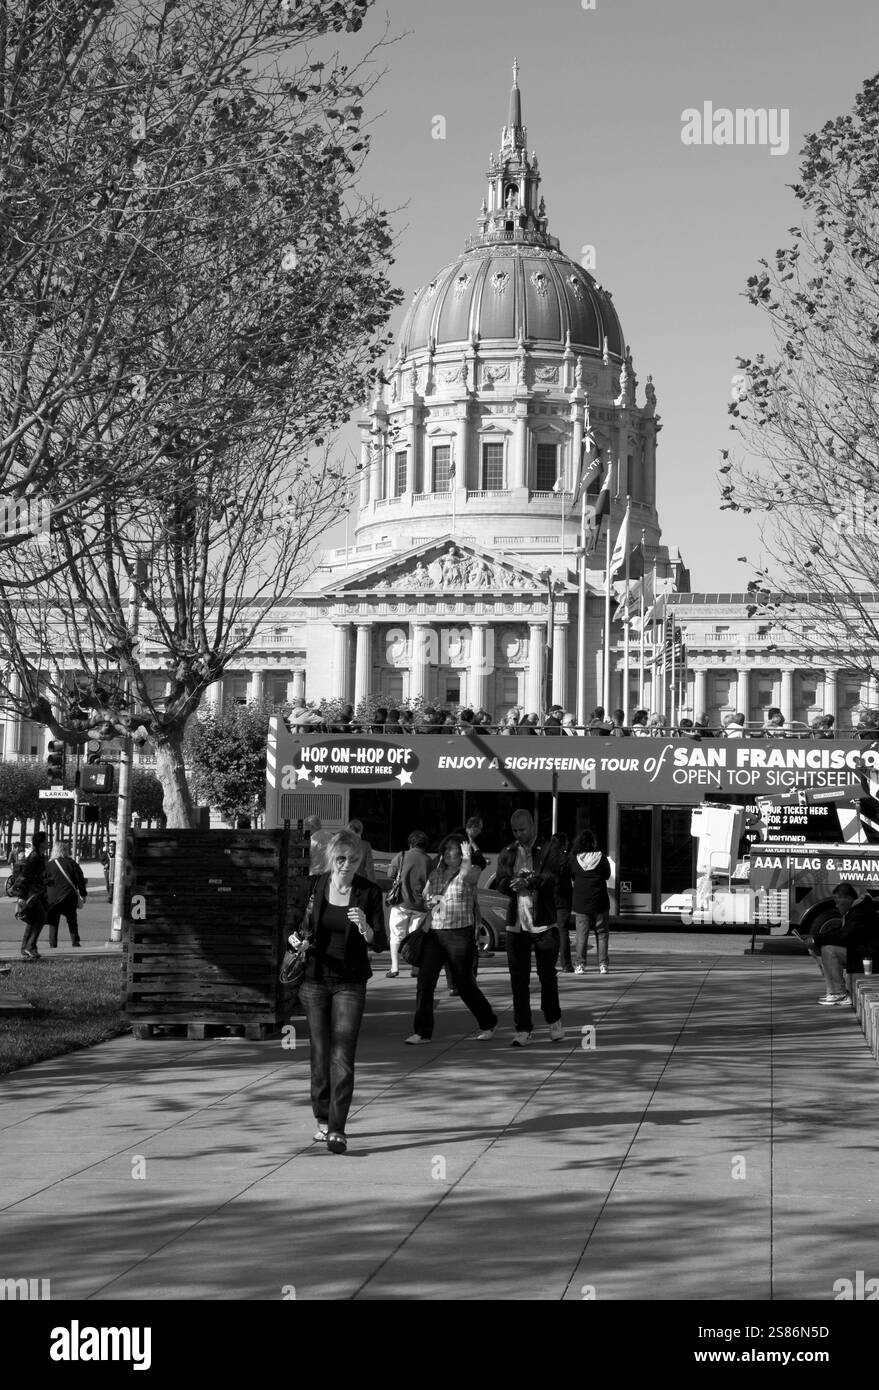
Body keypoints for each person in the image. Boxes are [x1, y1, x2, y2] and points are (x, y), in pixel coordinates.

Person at [297, 830, 387, 1154]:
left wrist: (364, 926)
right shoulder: (313, 886)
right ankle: (322, 1118)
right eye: (341, 858)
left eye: (354, 859)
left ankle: (337, 1128)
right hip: (315, 980)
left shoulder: (369, 893)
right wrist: (296, 941)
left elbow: (381, 943)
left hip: (350, 983)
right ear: (331, 857)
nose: (347, 864)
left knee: (343, 1056)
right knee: (320, 1055)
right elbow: (290, 927)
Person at [405, 835, 498, 1045]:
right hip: (435, 933)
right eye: (445, 849)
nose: (448, 853)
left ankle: (488, 1021)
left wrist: (467, 855)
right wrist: (430, 903)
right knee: (425, 982)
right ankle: (422, 1031)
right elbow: (428, 897)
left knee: (464, 984)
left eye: (453, 849)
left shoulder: (470, 871)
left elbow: (466, 875)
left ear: (462, 852)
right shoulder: (436, 873)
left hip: (459, 935)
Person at [494, 810, 565, 1045]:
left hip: (543, 923)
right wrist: (510, 884)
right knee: (518, 979)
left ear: (532, 826)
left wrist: (530, 881)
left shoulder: (548, 848)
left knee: (547, 976)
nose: (519, 834)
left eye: (522, 829)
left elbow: (552, 876)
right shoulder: (508, 852)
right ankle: (523, 1028)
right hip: (516, 925)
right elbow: (500, 881)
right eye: (515, 830)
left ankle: (554, 1020)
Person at [807, 883, 879, 1005]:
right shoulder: (856, 909)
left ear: (848, 898)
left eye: (838, 901)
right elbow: (840, 932)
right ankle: (833, 991)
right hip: (862, 953)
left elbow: (845, 936)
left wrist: (816, 939)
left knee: (829, 949)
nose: (836, 905)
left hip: (869, 958)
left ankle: (838, 993)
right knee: (822, 948)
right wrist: (815, 939)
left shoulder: (862, 911)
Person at [385, 830, 432, 978]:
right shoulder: (429, 860)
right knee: (416, 939)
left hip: (401, 903)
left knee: (396, 936)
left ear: (410, 843)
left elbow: (390, 874)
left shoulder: (401, 855)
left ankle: (394, 968)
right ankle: (415, 969)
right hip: (420, 906)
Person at [569, 829, 611, 975]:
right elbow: (607, 875)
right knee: (602, 933)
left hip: (581, 903)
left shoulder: (575, 859)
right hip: (600, 901)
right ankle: (603, 965)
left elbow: (572, 877)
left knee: (582, 934)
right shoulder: (601, 857)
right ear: (593, 843)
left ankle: (580, 965)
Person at [45, 840, 87, 948]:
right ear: (66, 851)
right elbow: (80, 880)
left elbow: (43, 882)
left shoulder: (48, 865)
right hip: (69, 896)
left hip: (53, 897)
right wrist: (83, 894)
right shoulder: (72, 863)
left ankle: (53, 943)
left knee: (53, 921)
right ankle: (75, 941)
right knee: (72, 919)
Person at [16, 831, 49, 961]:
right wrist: (21, 897)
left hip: (37, 892)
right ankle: (30, 946)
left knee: (34, 920)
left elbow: (39, 876)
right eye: (46, 840)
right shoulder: (34, 856)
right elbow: (26, 876)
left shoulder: (40, 856)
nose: (48, 842)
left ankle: (26, 947)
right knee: (40, 917)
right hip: (31, 893)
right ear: (41, 842)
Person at [553, 833, 574, 972]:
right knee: (563, 931)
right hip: (564, 899)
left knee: (550, 932)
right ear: (564, 844)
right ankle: (566, 964)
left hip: (549, 897)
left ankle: (550, 963)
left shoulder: (547, 858)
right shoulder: (567, 859)